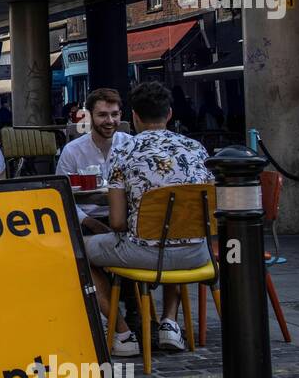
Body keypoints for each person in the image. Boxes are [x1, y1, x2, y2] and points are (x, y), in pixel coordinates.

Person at [86, 80, 214, 358]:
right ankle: (169, 322)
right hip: (196, 254)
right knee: (173, 231)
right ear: (169, 114)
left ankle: (122, 334)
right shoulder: (197, 149)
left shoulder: (124, 152)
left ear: (134, 116)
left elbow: (118, 222)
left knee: (79, 252)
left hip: (145, 254)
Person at [56, 89, 132, 236]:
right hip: (85, 222)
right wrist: (91, 223)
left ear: (120, 115)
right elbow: (61, 195)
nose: (110, 121)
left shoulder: (131, 145)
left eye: (114, 114)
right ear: (89, 116)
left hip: (127, 220)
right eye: (102, 115)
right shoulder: (72, 150)